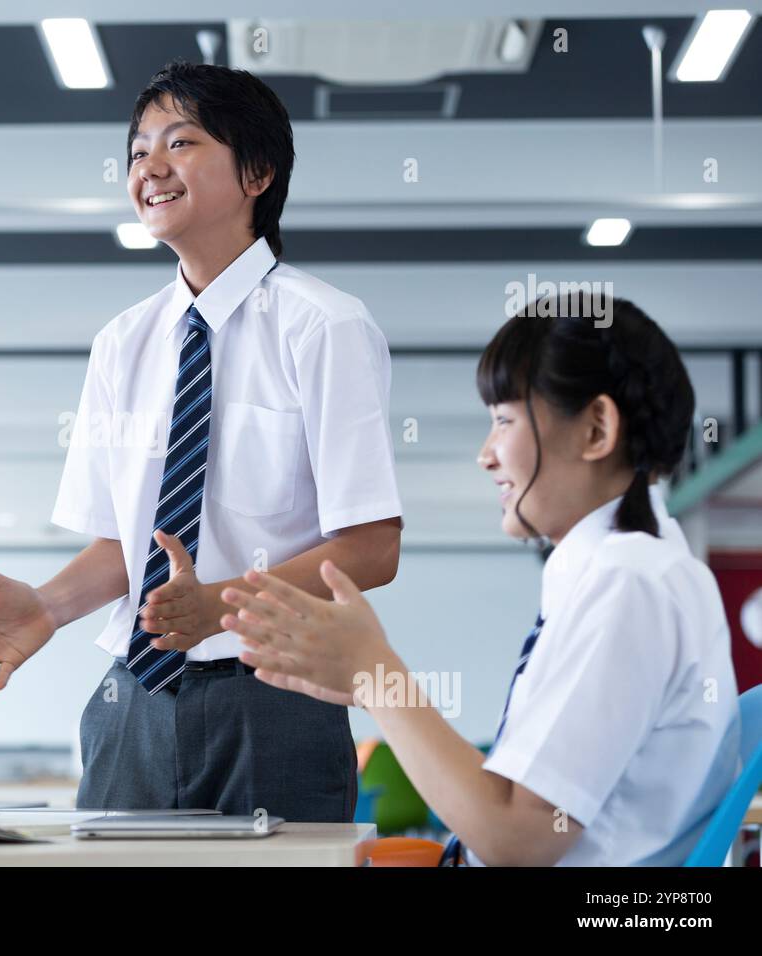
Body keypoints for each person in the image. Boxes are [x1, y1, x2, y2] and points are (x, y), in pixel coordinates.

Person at [0, 61, 402, 820]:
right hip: (130, 699)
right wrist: (47, 607)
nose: (150, 167)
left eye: (180, 143)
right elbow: (126, 548)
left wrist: (219, 607)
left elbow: (373, 546)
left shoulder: (325, 325)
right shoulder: (122, 343)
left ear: (257, 171)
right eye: (138, 151)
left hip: (272, 698)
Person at [225, 299, 740, 863]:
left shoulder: (631, 583)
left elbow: (517, 837)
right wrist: (368, 679)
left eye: (504, 420)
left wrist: (377, 676)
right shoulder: (639, 571)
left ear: (596, 428)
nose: (485, 455)